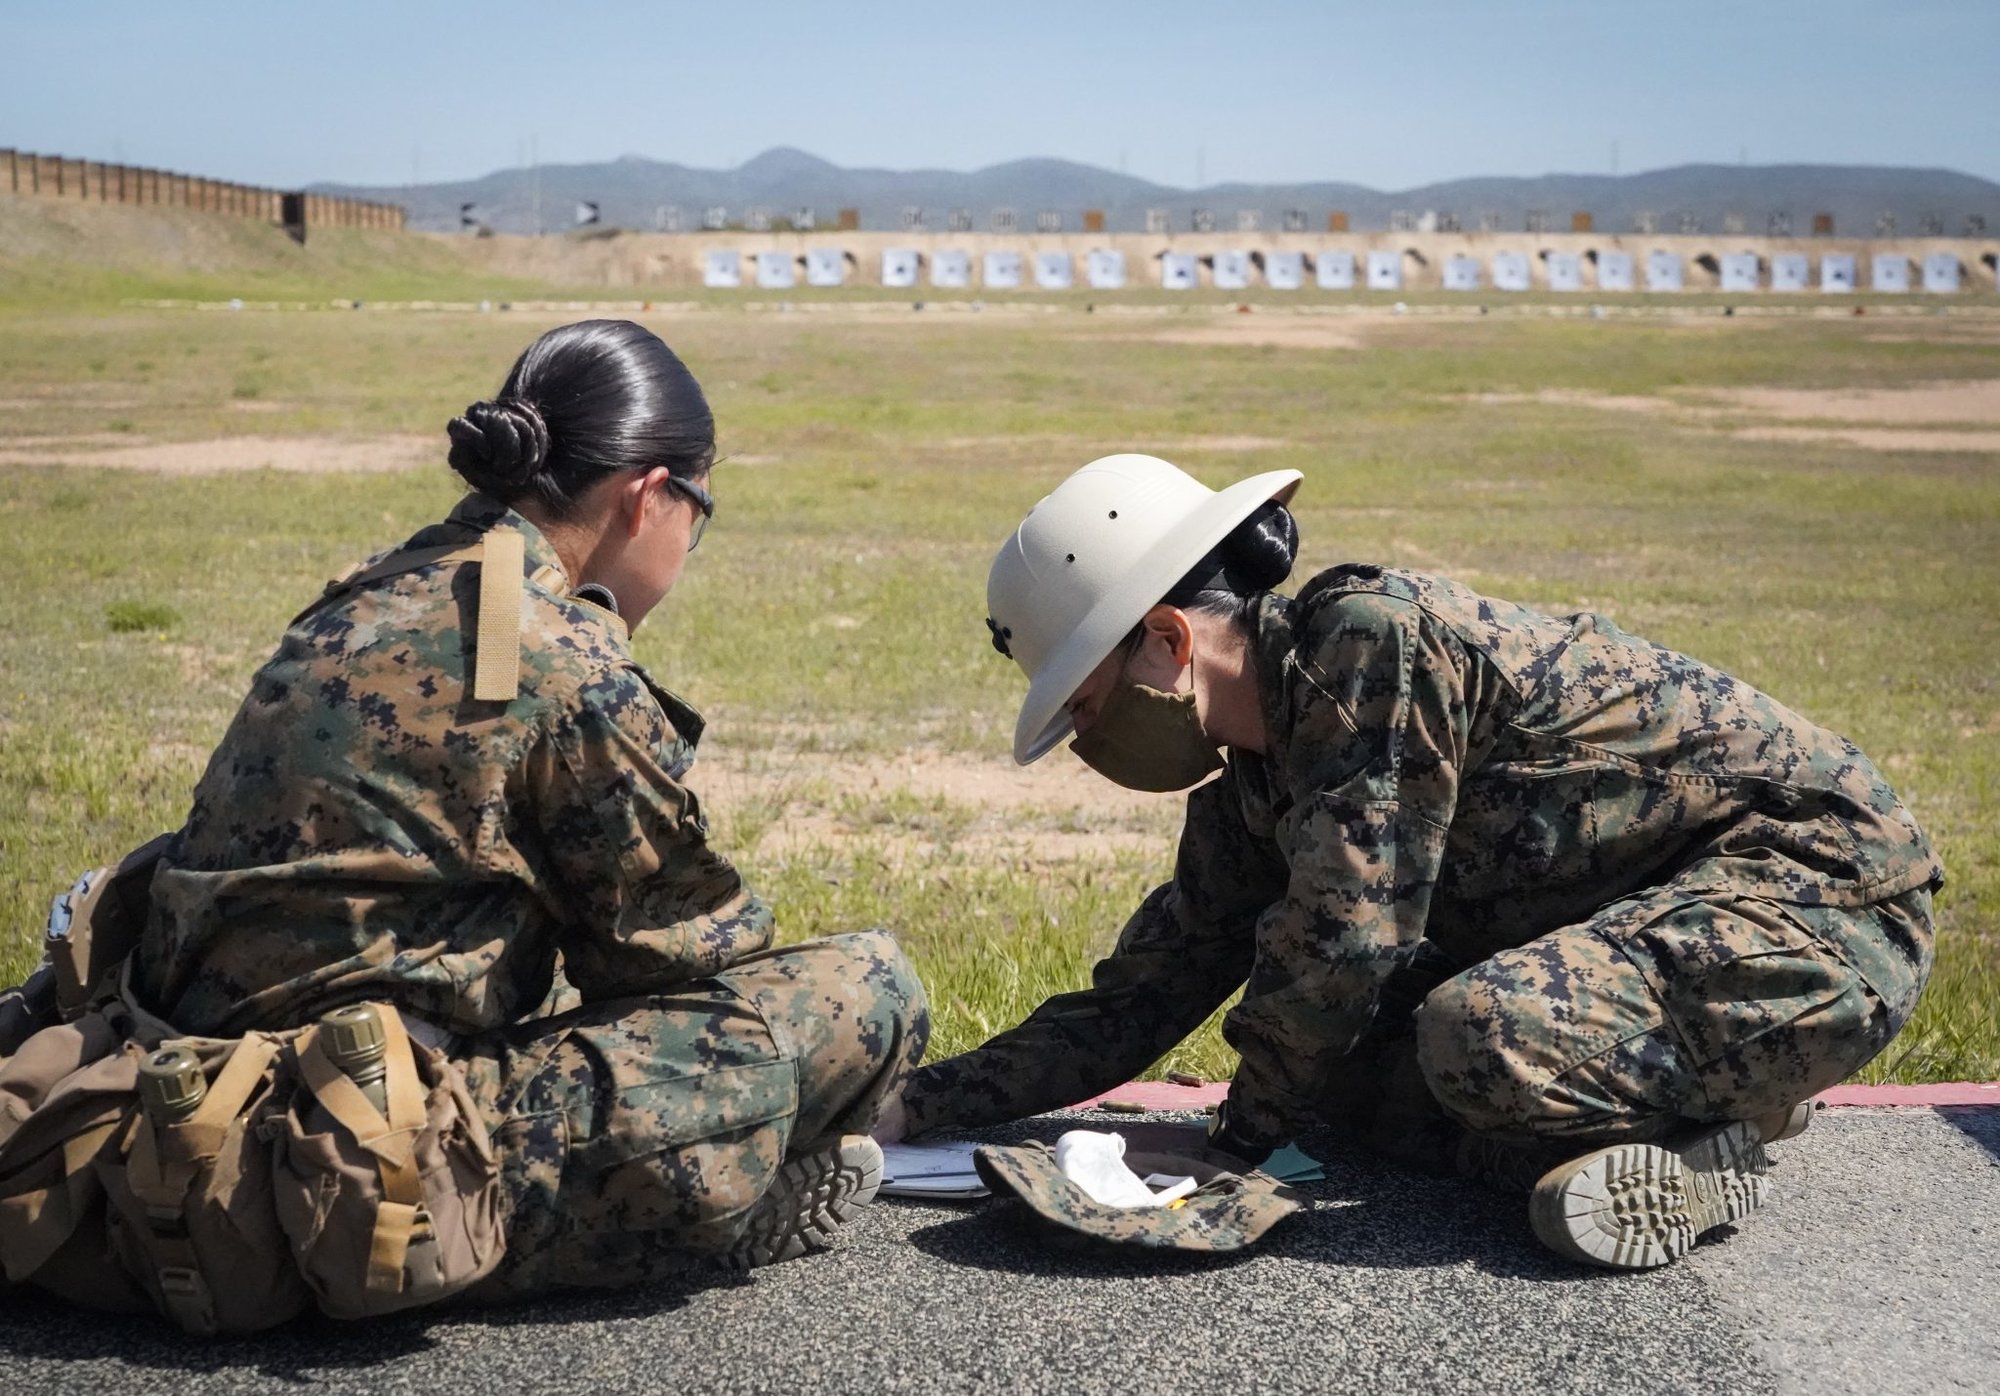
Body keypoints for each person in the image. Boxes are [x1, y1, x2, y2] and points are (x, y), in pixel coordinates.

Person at [0, 320, 927, 1322]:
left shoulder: (355, 597)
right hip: (347, 1160)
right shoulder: (560, 656)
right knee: (862, 991)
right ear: (650, 495)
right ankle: (646, 1228)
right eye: (697, 513)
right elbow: (671, 959)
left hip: (164, 1106)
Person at [880, 453, 1939, 1271]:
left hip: (1815, 905)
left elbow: (1350, 934)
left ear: (1165, 639)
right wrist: (905, 1107)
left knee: (1477, 1033)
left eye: (1088, 706)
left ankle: (1716, 1100)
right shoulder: (1254, 781)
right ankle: (1690, 1112)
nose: (1093, 740)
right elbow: (1139, 997)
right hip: (1662, 938)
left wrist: (1234, 1146)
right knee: (1336, 1076)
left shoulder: (1366, 645)